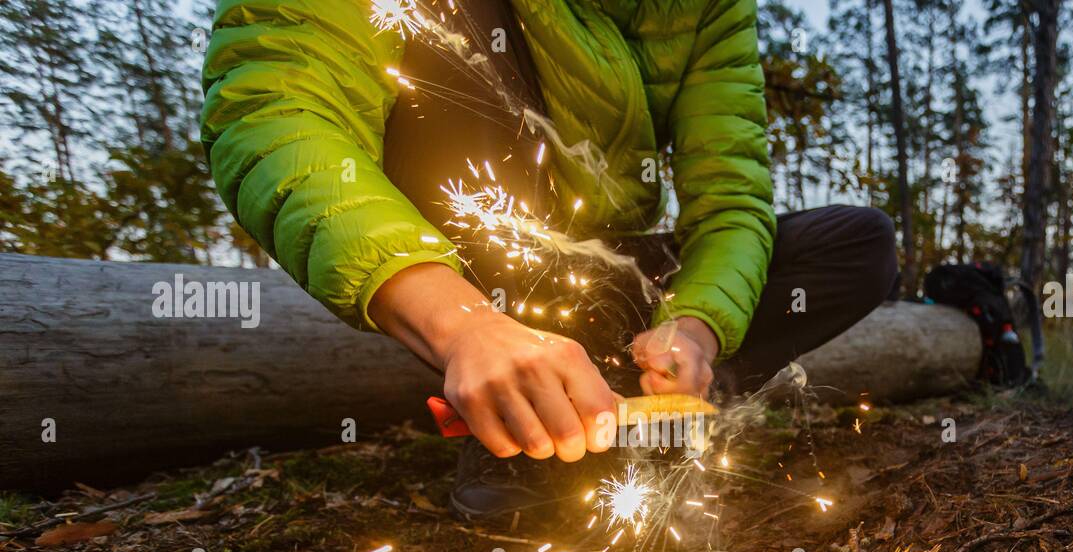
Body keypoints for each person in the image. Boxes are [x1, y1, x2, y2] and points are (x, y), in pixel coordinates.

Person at [200, 0, 898, 525]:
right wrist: (460, 323)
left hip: (611, 258)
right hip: (469, 263)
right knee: (456, 26)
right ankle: (517, 429)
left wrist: (694, 328)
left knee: (857, 243)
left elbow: (732, 198)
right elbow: (275, 107)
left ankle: (656, 413)